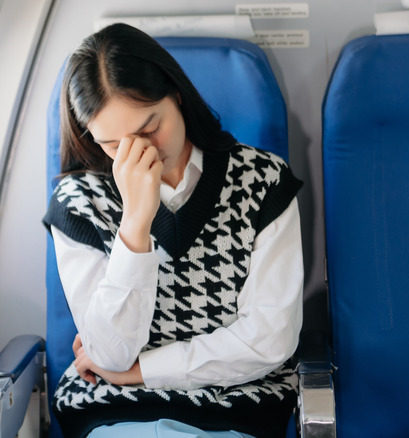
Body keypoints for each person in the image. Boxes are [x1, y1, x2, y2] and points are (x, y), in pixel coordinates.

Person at [43, 23, 304, 438]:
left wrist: (143, 371)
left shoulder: (263, 181)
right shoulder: (80, 201)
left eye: (149, 129)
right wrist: (135, 225)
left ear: (177, 96)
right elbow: (110, 353)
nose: (138, 153)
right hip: (115, 415)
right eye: (113, 145)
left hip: (233, 409)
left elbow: (269, 339)